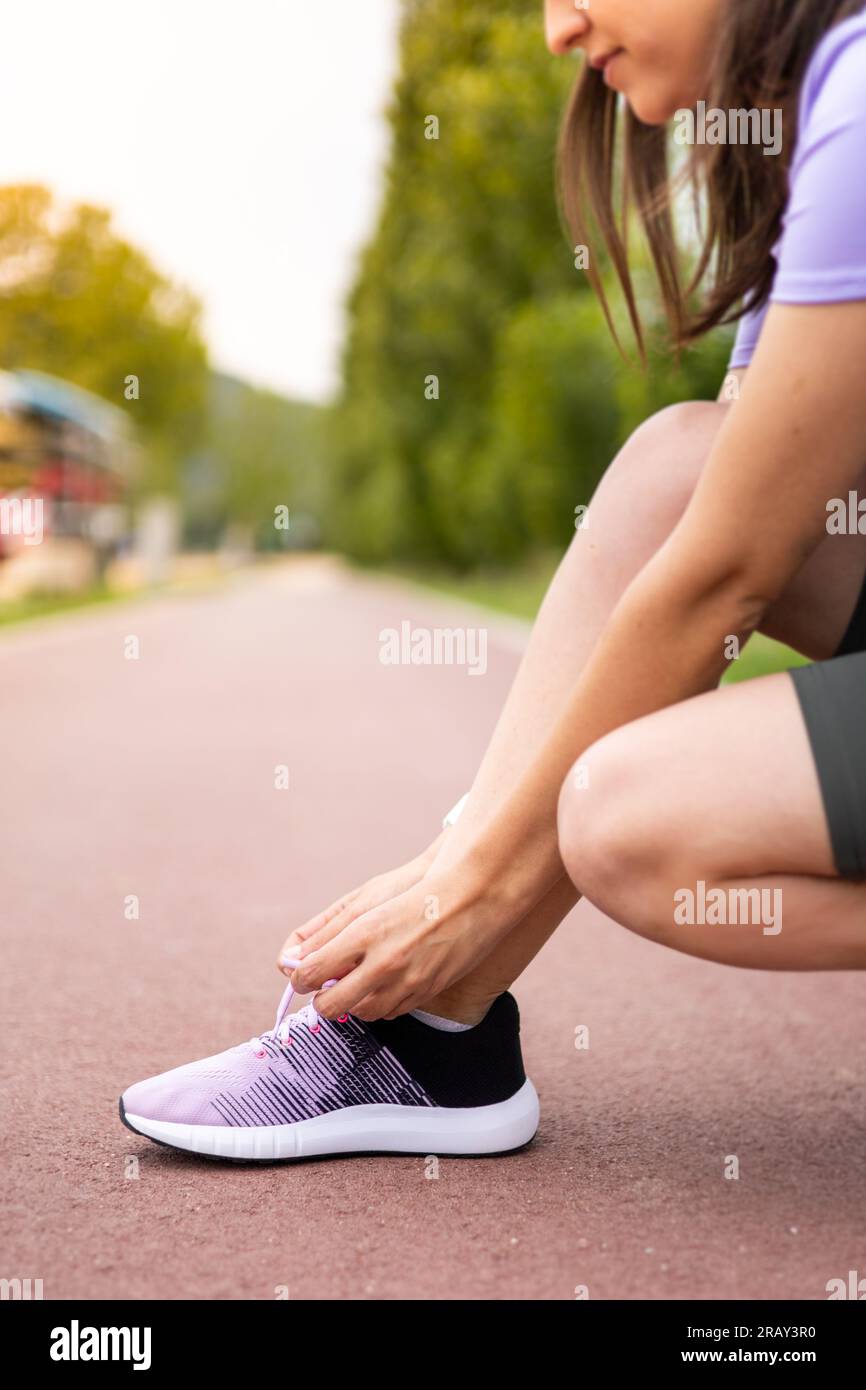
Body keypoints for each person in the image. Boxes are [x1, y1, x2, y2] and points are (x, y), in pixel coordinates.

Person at [121, 0, 866, 1161]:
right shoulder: (821, 106)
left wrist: (463, 879)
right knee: (672, 465)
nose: (557, 29)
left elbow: (725, 578)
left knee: (624, 821)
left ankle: (429, 993)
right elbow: (717, 509)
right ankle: (431, 1030)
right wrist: (454, 873)